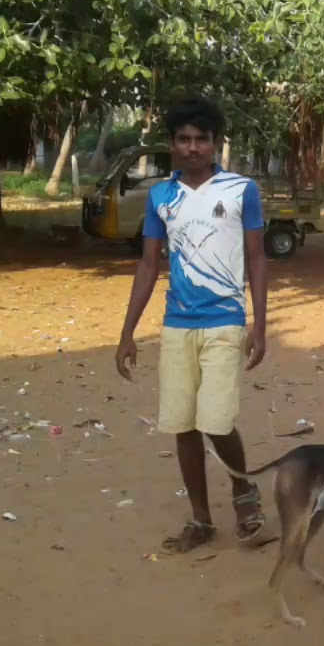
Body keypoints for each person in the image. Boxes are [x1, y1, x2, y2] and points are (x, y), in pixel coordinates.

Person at [115, 95, 270, 553]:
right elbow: (148, 264)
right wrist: (127, 333)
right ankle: (201, 519)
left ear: (215, 142)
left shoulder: (241, 190)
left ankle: (244, 492)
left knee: (217, 423)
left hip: (225, 321)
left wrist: (259, 325)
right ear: (171, 144)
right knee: (183, 425)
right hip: (177, 325)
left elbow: (257, 258)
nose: (193, 147)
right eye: (184, 139)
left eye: (202, 139)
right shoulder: (160, 196)